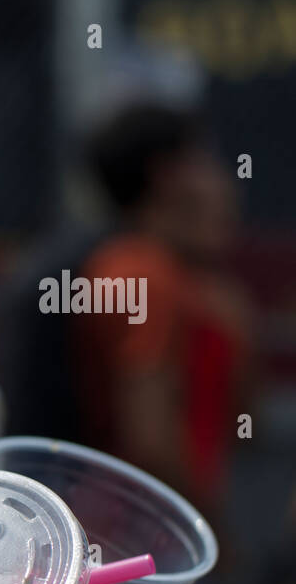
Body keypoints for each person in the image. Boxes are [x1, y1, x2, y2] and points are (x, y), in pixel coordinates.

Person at [72, 103, 250, 521]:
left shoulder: (183, 280)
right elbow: (151, 442)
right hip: (146, 542)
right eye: (207, 163)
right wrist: (214, 539)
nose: (226, 184)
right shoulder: (142, 274)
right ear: (168, 176)